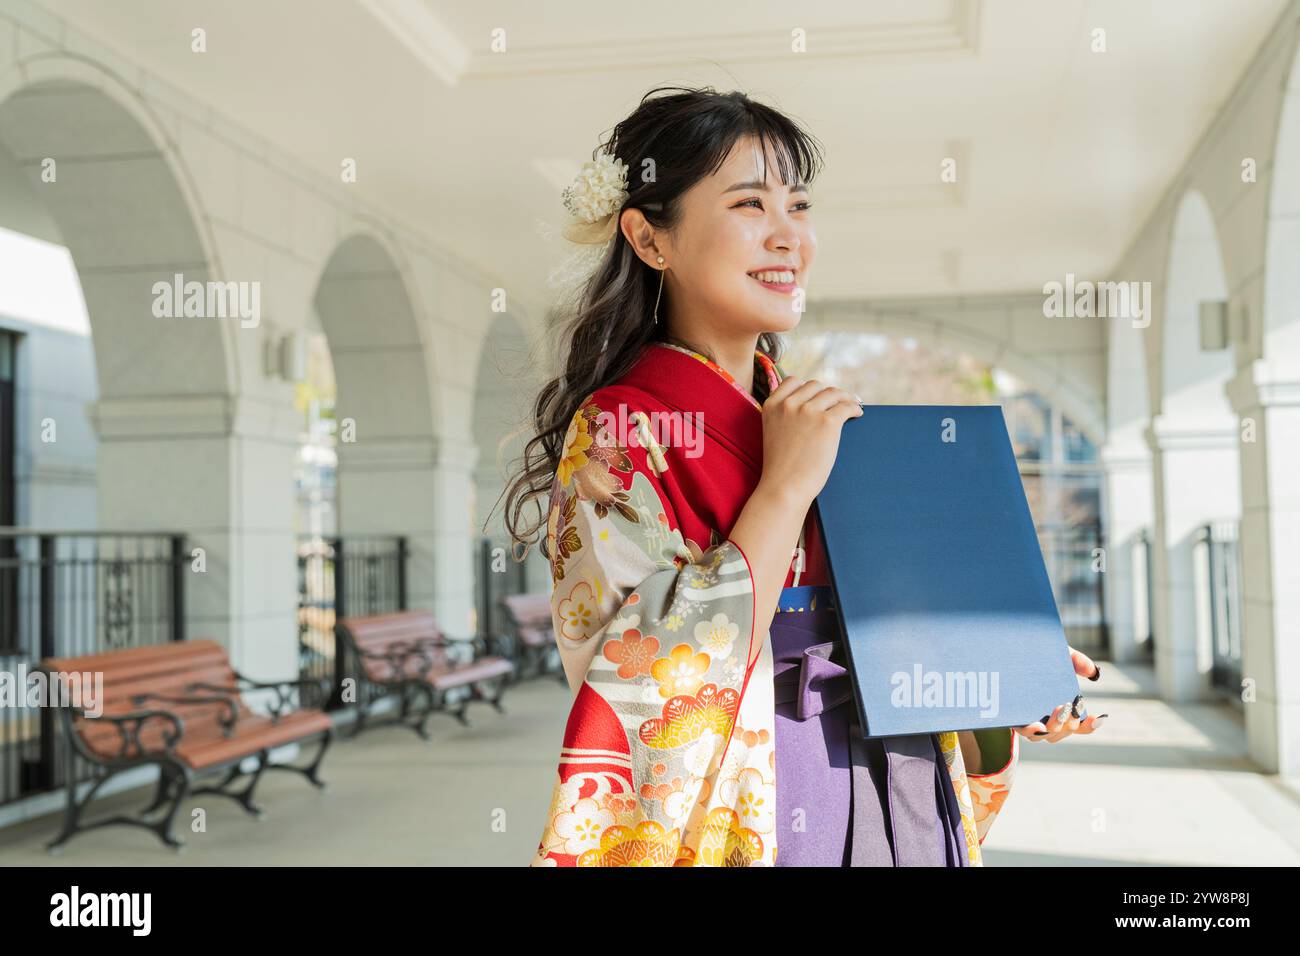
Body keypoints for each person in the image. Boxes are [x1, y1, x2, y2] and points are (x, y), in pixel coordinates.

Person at [502, 86, 1104, 867]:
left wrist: (1000, 669)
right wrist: (782, 491)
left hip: (901, 770)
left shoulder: (808, 417)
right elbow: (632, 670)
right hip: (763, 790)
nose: (790, 237)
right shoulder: (621, 431)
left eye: (799, 205)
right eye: (751, 205)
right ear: (651, 240)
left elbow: (897, 616)